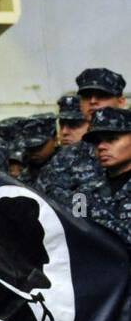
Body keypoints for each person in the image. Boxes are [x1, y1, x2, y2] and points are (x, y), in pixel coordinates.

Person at [37, 72, 124, 208]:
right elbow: (46, 205)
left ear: (121, 102)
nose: (93, 101)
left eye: (102, 95)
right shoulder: (66, 157)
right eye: (86, 96)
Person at [80, 106, 131, 251]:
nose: (101, 146)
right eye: (97, 141)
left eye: (111, 139)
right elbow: (74, 234)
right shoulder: (82, 193)